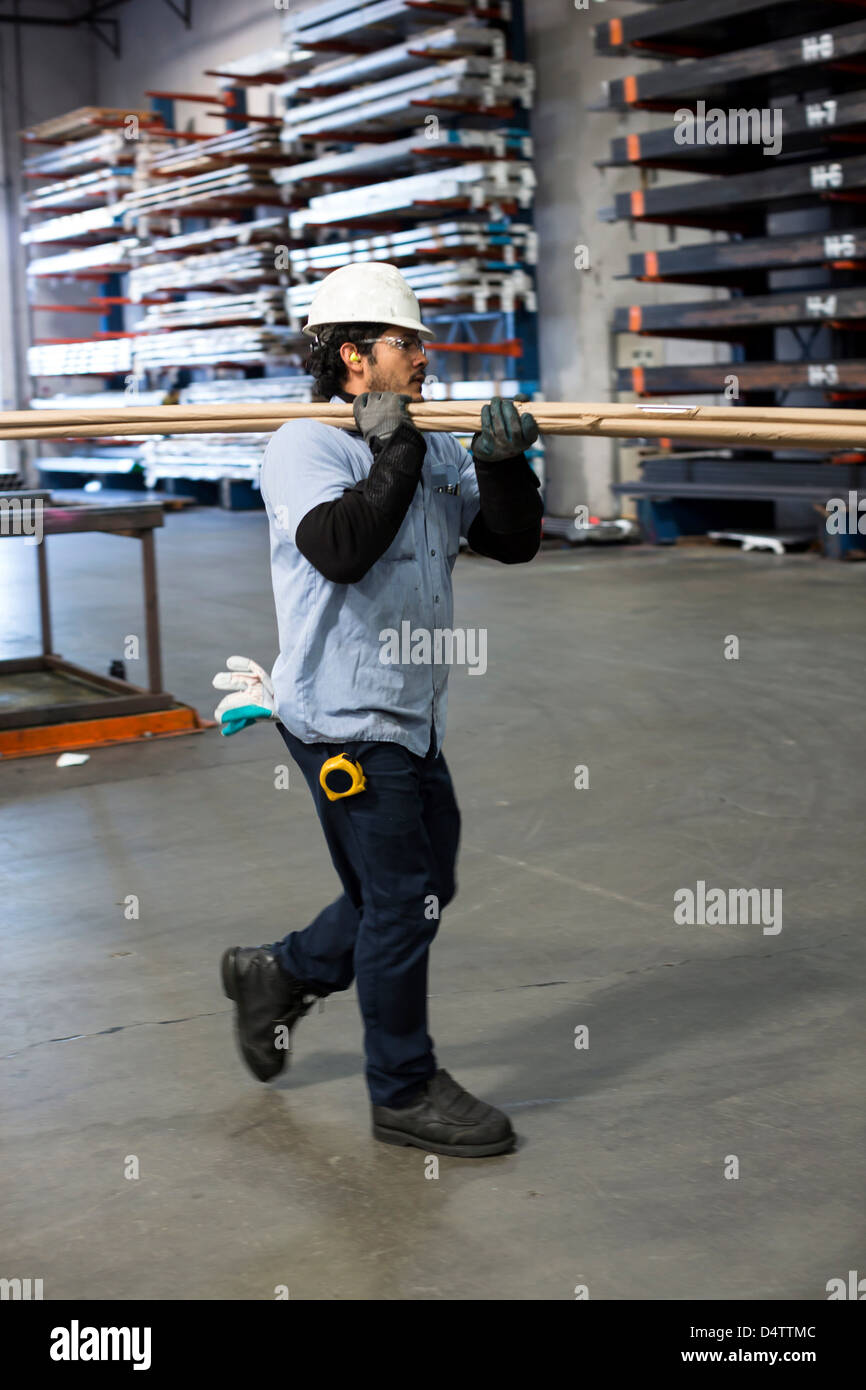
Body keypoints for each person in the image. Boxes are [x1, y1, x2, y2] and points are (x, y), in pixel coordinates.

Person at [216, 261, 543, 1158]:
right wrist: (391, 446)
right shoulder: (303, 445)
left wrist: (505, 467)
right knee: (403, 899)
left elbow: (510, 545)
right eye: (410, 343)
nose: (426, 357)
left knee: (422, 889)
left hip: (413, 713)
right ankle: (401, 1089)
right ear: (356, 357)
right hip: (343, 716)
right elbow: (343, 549)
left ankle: (278, 974)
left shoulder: (435, 444)